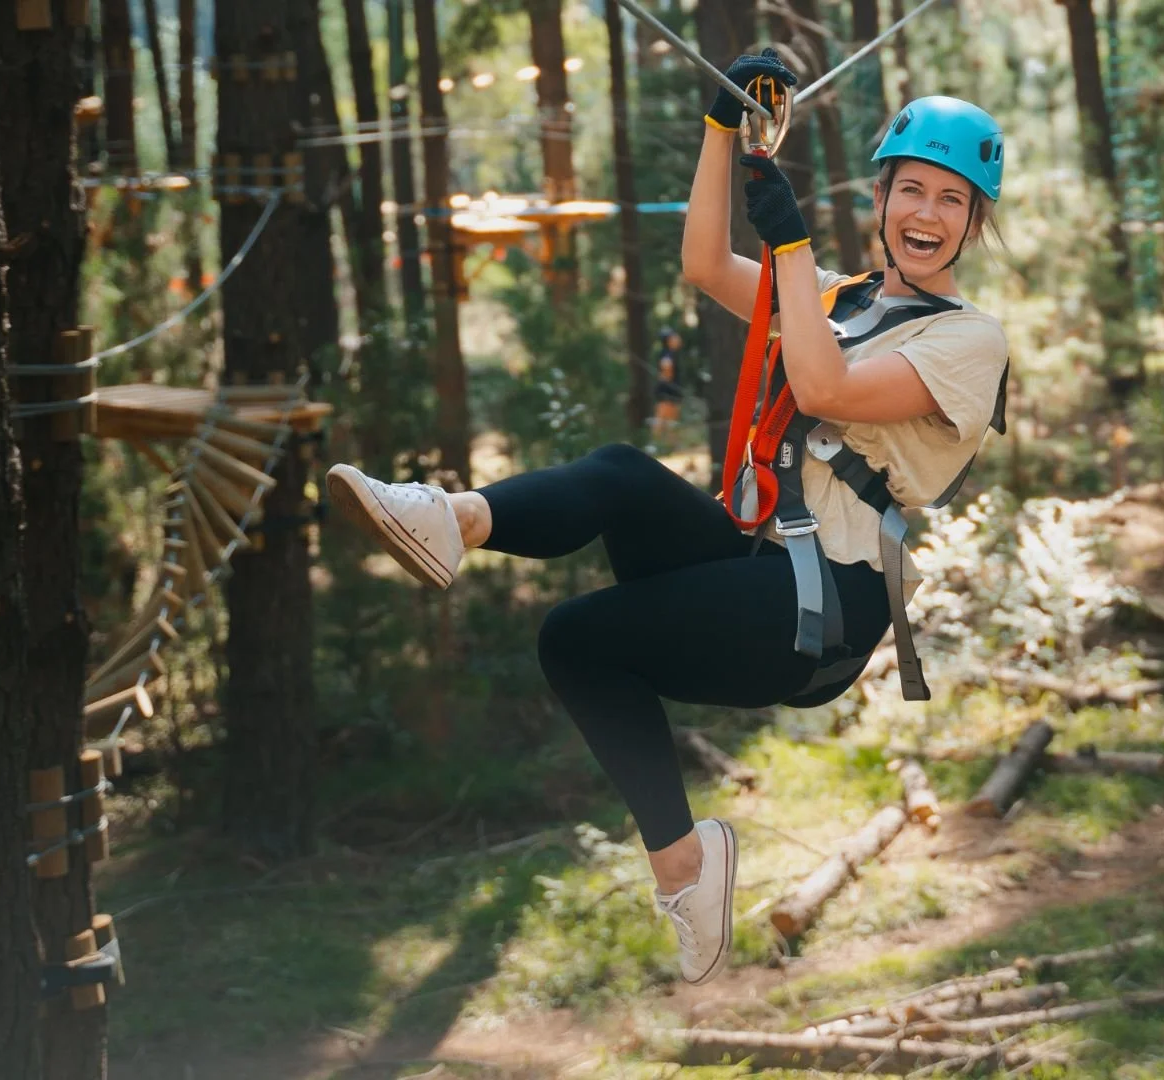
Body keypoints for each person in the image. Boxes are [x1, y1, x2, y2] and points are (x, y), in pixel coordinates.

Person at [323, 50, 1009, 986]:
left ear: (974, 224)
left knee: (577, 636)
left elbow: (823, 383)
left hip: (825, 608)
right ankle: (451, 519)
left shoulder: (970, 340)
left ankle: (684, 869)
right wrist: (721, 131)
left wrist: (794, 247)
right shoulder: (842, 298)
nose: (926, 215)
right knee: (614, 477)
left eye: (952, 201)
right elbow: (699, 263)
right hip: (762, 565)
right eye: (912, 191)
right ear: (882, 196)